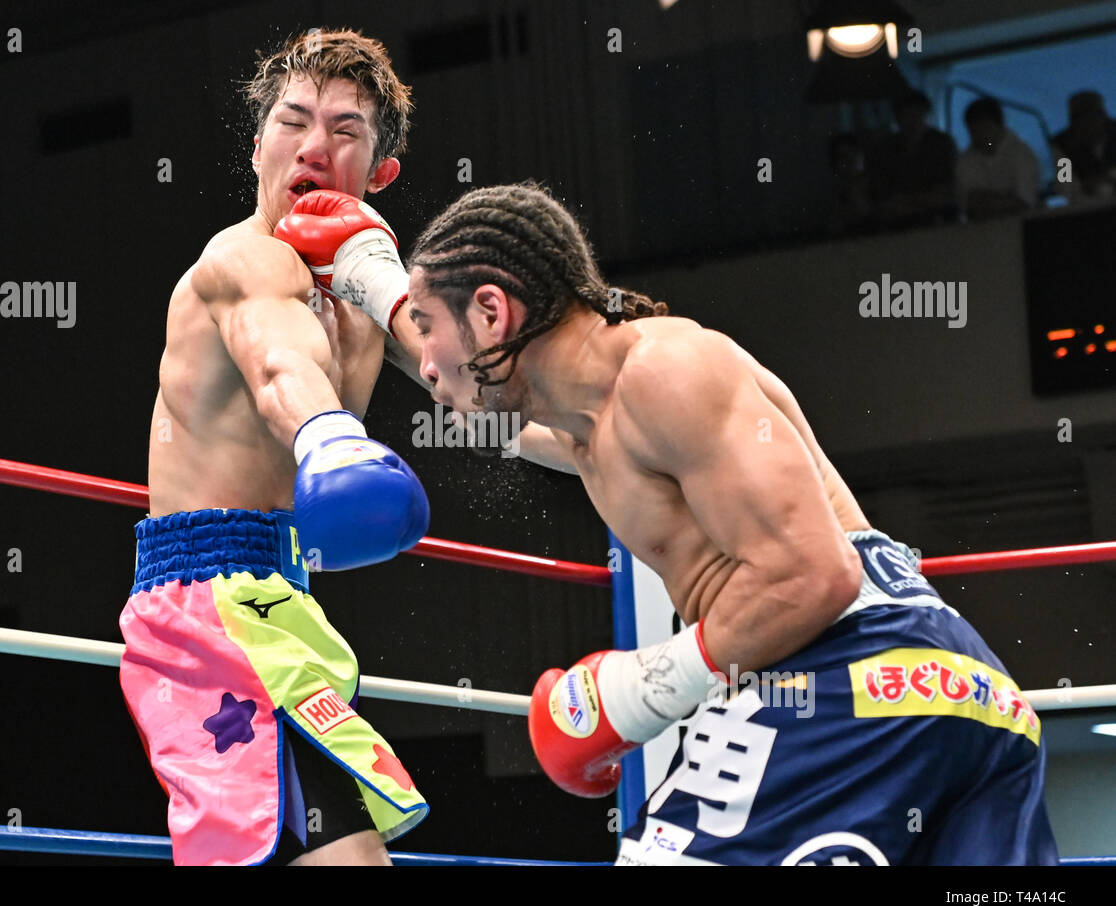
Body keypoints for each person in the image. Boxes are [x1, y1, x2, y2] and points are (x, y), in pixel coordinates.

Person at [395, 182, 1056, 865]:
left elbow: (819, 575)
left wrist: (641, 690)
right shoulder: (586, 428)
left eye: (424, 327)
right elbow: (474, 394)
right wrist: (358, 277)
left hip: (841, 667)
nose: (423, 362)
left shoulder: (664, 371)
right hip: (968, 696)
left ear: (491, 311)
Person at [118, 28, 432, 867]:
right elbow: (275, 360)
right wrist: (329, 437)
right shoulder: (241, 259)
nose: (314, 147)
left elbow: (472, 382)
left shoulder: (367, 291)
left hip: (280, 598)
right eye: (293, 122)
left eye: (345, 130)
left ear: (380, 173)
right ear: (259, 146)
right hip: (209, 599)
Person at [868, 90, 957, 227]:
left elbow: (948, 191)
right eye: (907, 116)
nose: (913, 122)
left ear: (926, 115)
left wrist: (914, 200)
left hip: (938, 217)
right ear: (897, 118)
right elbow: (882, 195)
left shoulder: (941, 143)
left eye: (918, 115)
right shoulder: (885, 149)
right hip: (897, 220)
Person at [956, 96, 1040, 219]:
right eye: (973, 131)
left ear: (999, 126)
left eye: (985, 129)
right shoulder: (966, 160)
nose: (980, 136)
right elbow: (967, 202)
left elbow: (1024, 202)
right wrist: (1004, 201)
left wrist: (985, 200)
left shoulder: (1022, 155)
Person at [1051, 90, 1116, 203]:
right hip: (1086, 208)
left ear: (1102, 118)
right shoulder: (1061, 147)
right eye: (1081, 121)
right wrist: (1082, 187)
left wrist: (1108, 177)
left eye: (1092, 118)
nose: (1088, 126)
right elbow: (1064, 183)